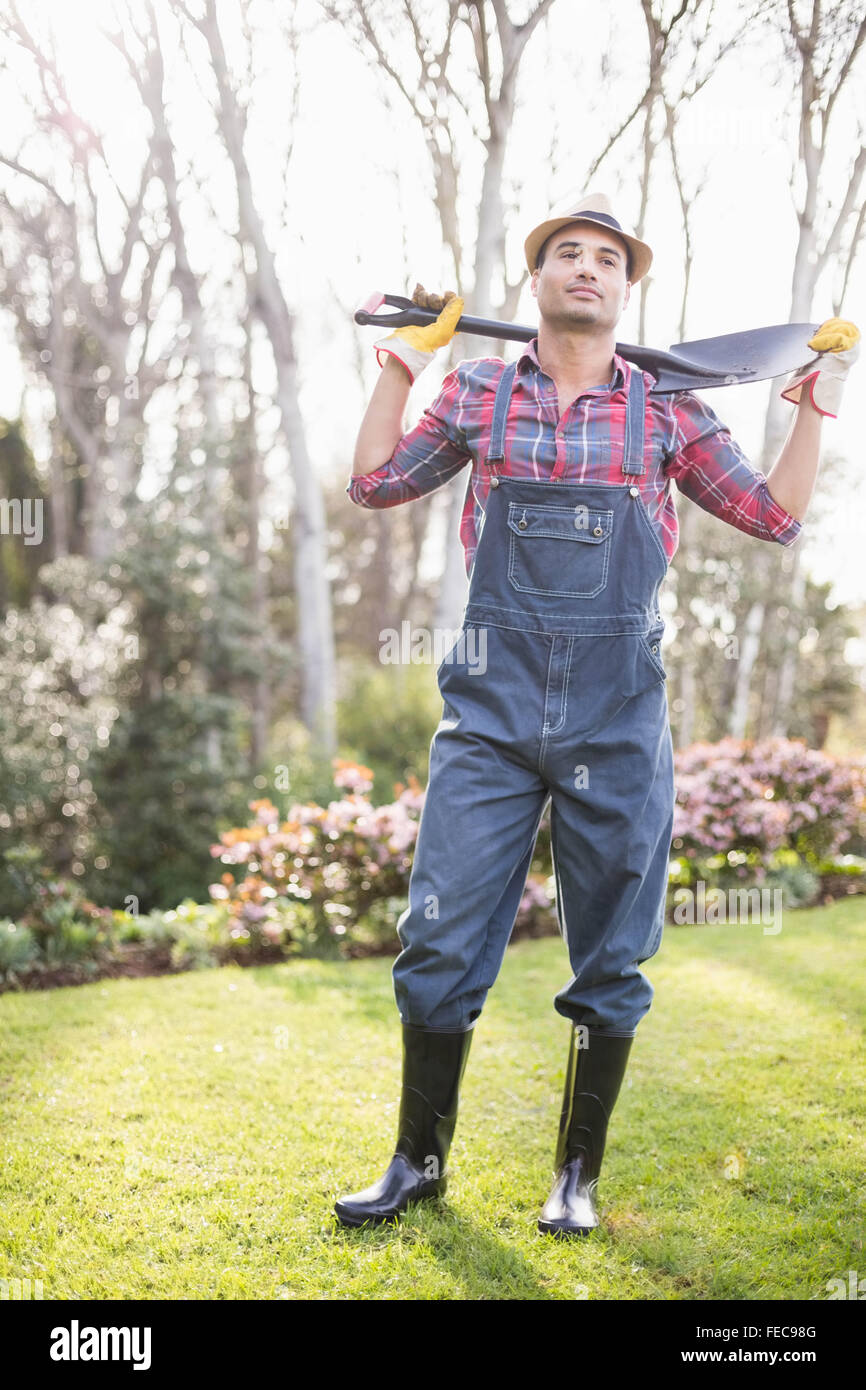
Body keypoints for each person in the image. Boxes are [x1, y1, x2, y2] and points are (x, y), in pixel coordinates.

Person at [335, 192, 860, 1236]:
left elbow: (774, 514)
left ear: (626, 289)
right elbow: (372, 486)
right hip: (487, 717)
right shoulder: (480, 393)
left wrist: (815, 402)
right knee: (435, 943)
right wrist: (402, 365)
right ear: (536, 281)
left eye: (606, 259)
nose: (586, 267)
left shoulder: (664, 409)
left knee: (610, 957)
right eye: (565, 253)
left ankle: (573, 1177)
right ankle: (417, 1161)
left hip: (615, 719)